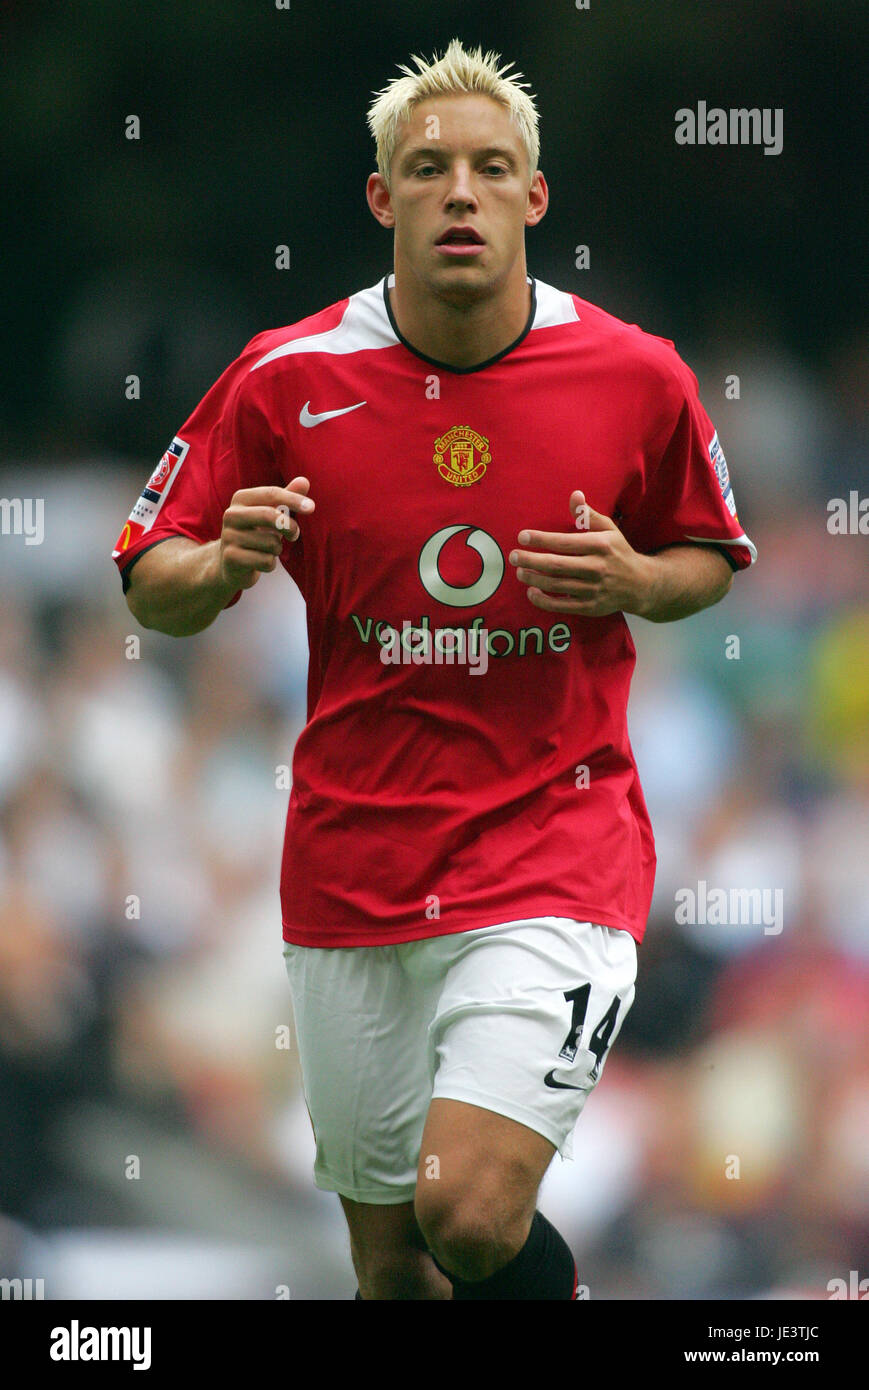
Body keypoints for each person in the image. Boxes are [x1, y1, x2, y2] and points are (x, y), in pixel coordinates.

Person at [112, 39, 756, 1300]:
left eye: (488, 168)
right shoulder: (284, 376)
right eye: (428, 168)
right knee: (393, 1268)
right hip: (353, 863)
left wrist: (636, 579)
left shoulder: (636, 375)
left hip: (551, 847)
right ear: (381, 198)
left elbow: (708, 554)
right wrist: (221, 563)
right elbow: (149, 576)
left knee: (464, 1208)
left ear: (533, 198)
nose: (458, 191)